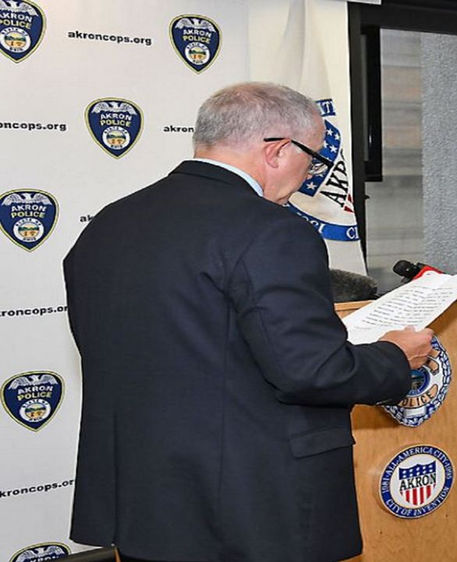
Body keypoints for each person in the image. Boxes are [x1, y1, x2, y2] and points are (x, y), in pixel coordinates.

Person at [63, 82, 434, 562]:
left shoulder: (109, 224)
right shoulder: (271, 231)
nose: (307, 177)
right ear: (279, 150)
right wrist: (394, 357)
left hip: (145, 499)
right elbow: (311, 371)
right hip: (251, 508)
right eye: (314, 159)